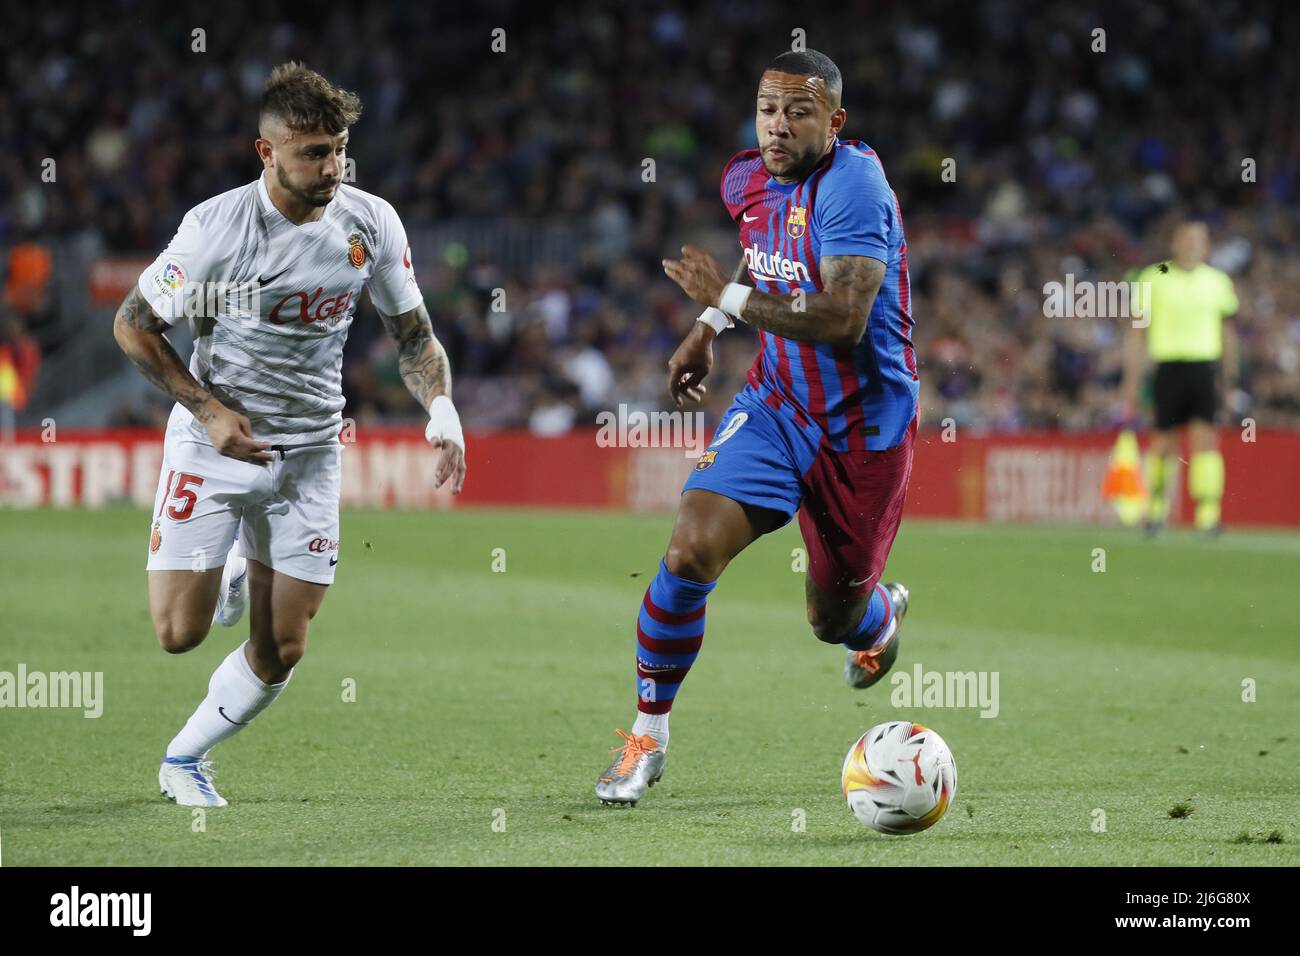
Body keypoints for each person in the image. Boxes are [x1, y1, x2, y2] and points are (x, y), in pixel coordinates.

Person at [112, 62, 467, 807]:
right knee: (179, 633)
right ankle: (233, 572)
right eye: (312, 152)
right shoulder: (215, 231)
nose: (331, 167)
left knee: (284, 648)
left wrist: (442, 411)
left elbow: (412, 336)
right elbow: (134, 327)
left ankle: (183, 759)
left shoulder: (370, 222)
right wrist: (208, 410)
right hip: (213, 445)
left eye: (338, 149)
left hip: (309, 454)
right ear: (265, 153)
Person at [595, 50, 919, 806]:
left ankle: (876, 619)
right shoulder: (747, 178)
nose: (778, 126)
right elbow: (761, 258)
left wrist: (730, 306)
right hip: (777, 407)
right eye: (767, 109)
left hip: (864, 433)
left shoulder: (856, 190)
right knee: (688, 549)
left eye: (797, 112)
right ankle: (647, 737)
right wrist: (709, 324)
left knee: (829, 618)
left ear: (834, 121)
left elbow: (843, 319)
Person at [1123, 221, 1239, 534]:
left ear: (1206, 247)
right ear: (1174, 243)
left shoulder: (1217, 282)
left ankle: (1208, 515)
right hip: (1168, 366)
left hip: (1204, 367)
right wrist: (1132, 378)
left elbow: (1228, 332)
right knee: (1163, 439)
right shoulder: (1154, 276)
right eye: (1185, 238)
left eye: (1198, 240)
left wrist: (1230, 376)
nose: (1191, 245)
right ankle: (1156, 510)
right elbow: (1137, 331)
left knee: (1206, 439)